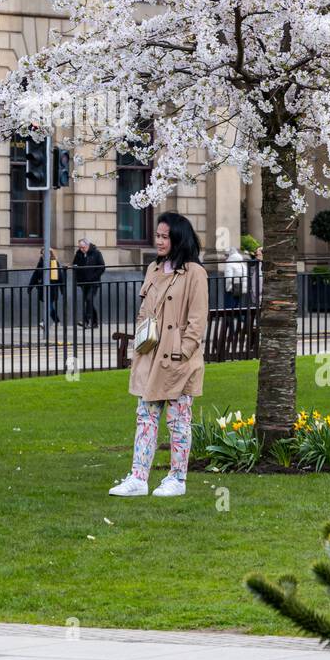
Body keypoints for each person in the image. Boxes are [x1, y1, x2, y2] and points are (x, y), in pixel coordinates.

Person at [110, 212, 208, 499]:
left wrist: (183, 351)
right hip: (151, 355)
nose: (160, 241)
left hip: (178, 360)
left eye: (166, 236)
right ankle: (139, 477)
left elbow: (197, 319)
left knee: (179, 421)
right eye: (158, 235)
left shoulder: (194, 273)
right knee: (145, 417)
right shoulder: (154, 268)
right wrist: (140, 342)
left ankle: (177, 478)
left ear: (178, 238)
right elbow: (144, 311)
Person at [72, 236, 105, 327]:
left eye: (83, 247)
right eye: (80, 247)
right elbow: (75, 265)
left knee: (89, 299)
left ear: (88, 245)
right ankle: (94, 322)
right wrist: (78, 277)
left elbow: (102, 267)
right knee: (88, 302)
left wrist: (94, 277)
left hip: (93, 282)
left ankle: (86, 320)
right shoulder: (78, 254)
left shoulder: (96, 253)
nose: (81, 249)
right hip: (83, 282)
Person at [29, 248, 66, 325]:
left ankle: (44, 321)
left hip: (52, 288)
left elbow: (60, 277)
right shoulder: (41, 263)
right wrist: (30, 286)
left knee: (48, 304)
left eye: (45, 254)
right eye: (42, 254)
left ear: (50, 254)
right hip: (43, 288)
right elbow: (35, 275)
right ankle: (57, 321)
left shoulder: (54, 263)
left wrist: (63, 290)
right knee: (50, 306)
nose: (43, 256)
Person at [221, 242, 248, 309]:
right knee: (237, 306)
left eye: (226, 255)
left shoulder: (229, 264)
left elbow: (229, 278)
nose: (225, 257)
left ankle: (228, 319)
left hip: (231, 288)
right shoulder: (242, 264)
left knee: (228, 307)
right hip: (240, 287)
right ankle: (239, 319)